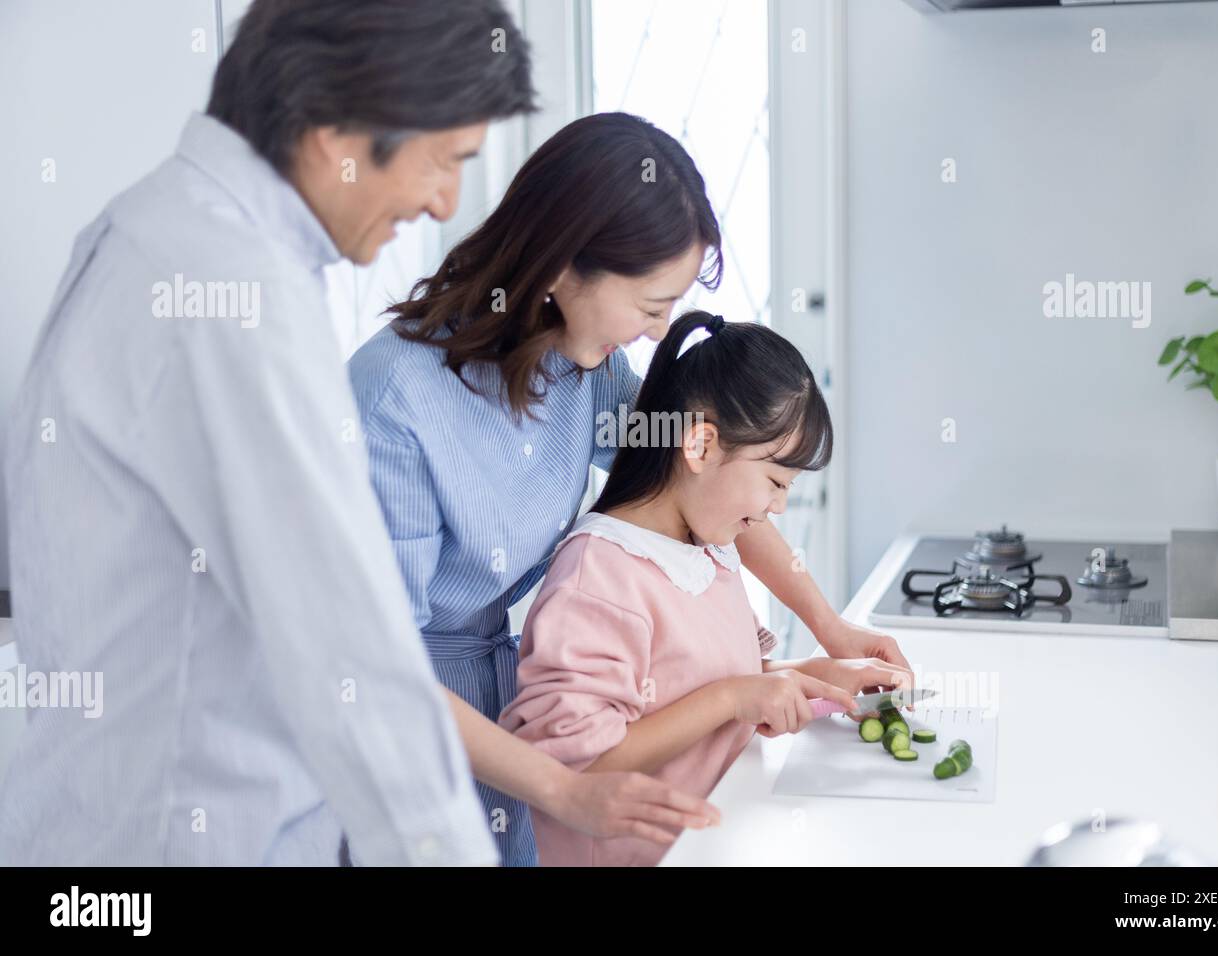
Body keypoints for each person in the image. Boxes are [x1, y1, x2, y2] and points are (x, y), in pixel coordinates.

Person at [0, 0, 714, 867]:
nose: (445, 199)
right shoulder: (235, 301)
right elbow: (361, 658)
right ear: (340, 131)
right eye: (445, 159)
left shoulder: (151, 233)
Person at [348, 114, 913, 866]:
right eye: (651, 307)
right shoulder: (396, 402)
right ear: (561, 265)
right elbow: (378, 670)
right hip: (408, 723)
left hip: (508, 710)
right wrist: (560, 787)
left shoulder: (581, 369)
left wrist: (828, 627)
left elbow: (705, 472)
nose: (658, 333)